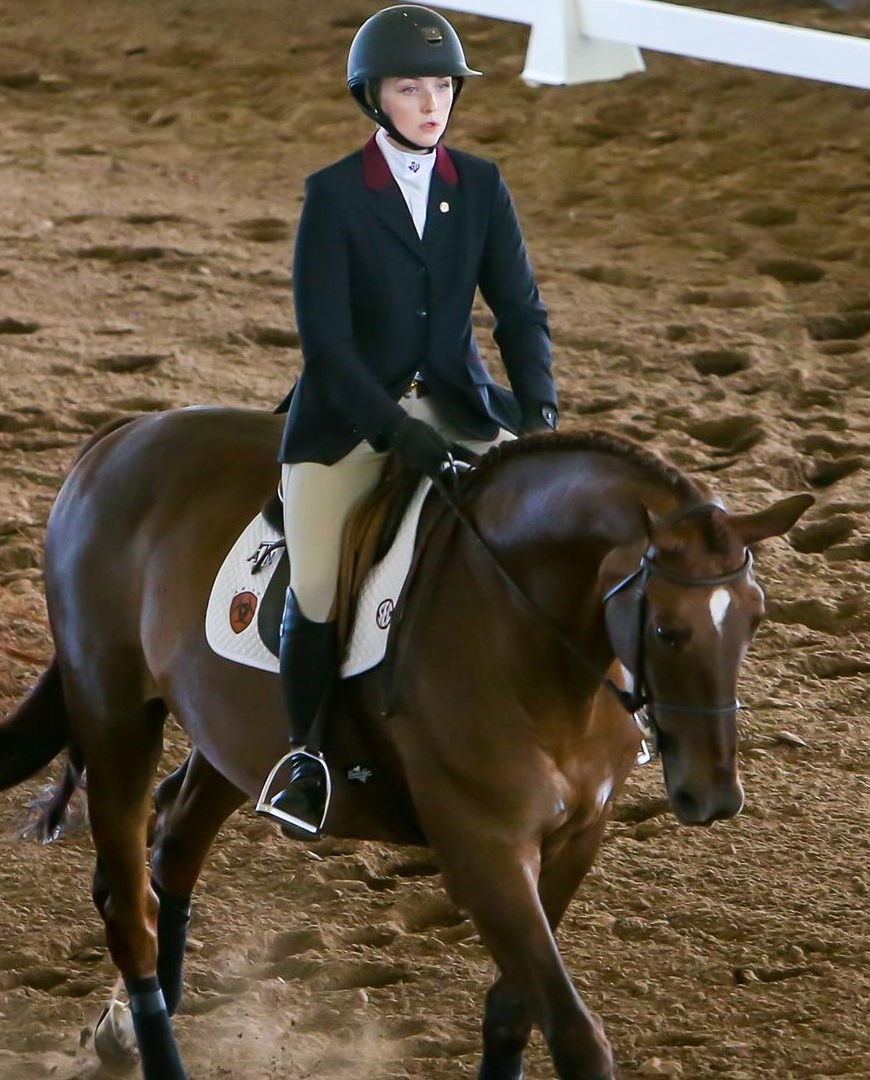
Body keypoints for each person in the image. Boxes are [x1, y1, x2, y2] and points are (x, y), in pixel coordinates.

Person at [256, 4, 560, 838]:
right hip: (348, 419)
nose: (431, 104)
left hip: (463, 403)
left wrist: (536, 407)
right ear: (373, 99)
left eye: (441, 87)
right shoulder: (335, 197)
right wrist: (395, 431)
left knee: (535, 529)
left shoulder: (483, 186)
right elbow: (326, 345)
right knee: (317, 583)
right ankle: (304, 757)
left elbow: (520, 311)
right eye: (409, 88)